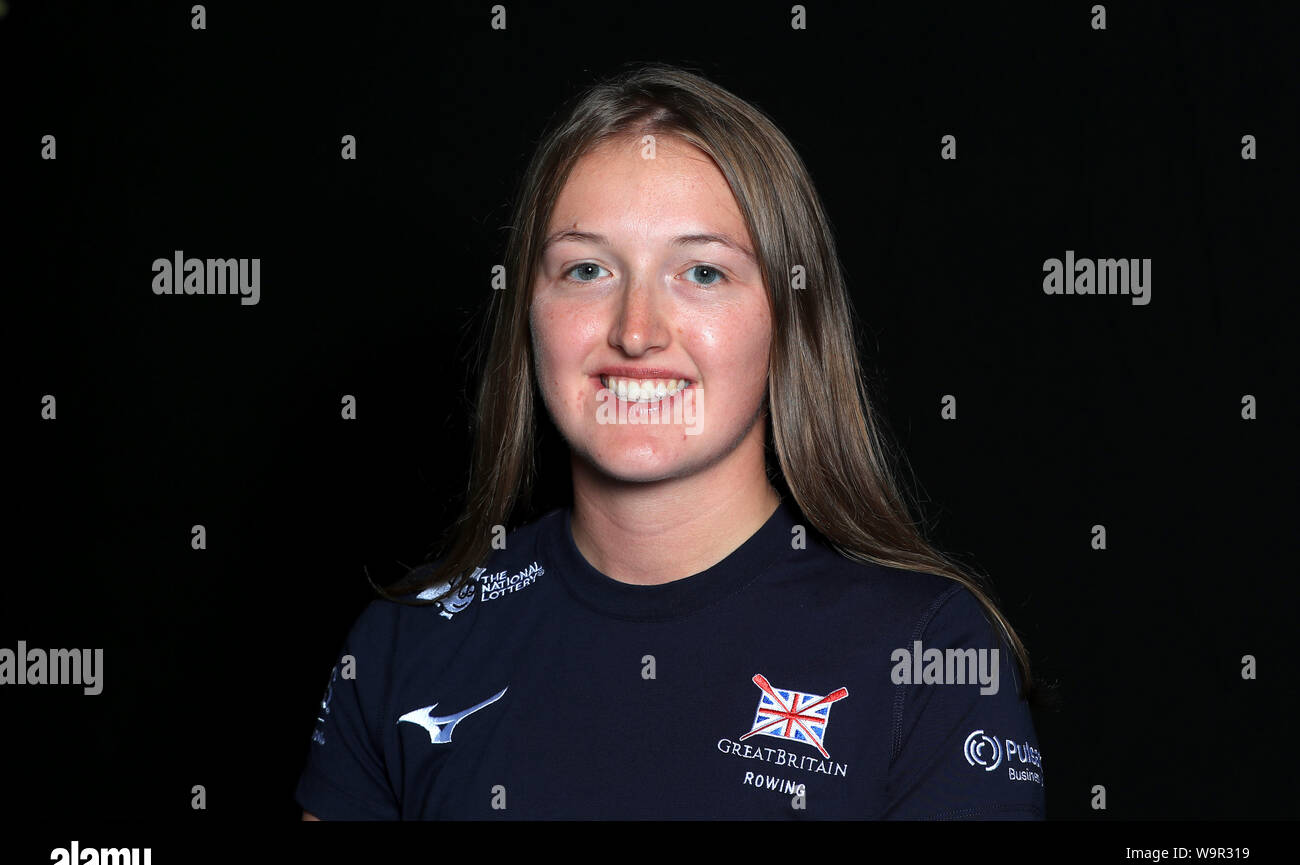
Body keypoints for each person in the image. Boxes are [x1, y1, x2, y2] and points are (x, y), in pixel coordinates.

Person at [296, 62, 1048, 820]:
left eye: (702, 272)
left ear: (790, 319)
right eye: (586, 269)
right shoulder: (407, 640)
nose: (635, 330)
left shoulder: (930, 655)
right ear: (528, 312)